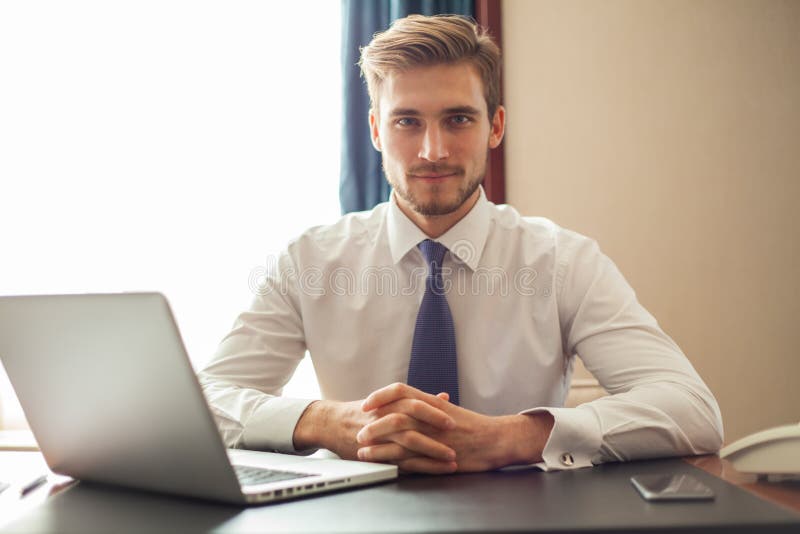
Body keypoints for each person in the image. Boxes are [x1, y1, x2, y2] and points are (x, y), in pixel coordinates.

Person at [199, 14, 723, 474]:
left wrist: (510, 438)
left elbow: (691, 410)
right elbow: (203, 404)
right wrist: (323, 421)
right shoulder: (308, 261)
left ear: (495, 126)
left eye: (458, 119)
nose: (433, 150)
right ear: (377, 131)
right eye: (408, 121)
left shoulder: (565, 261)